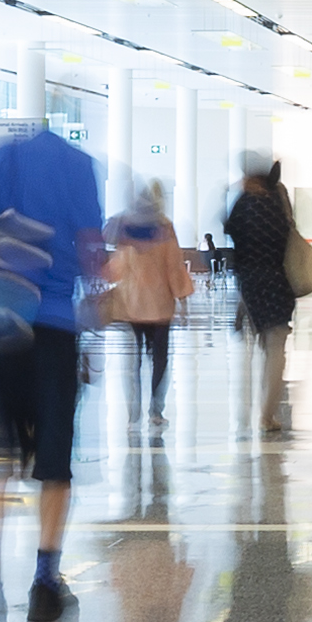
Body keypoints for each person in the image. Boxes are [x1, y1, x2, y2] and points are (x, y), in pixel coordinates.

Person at [0, 105, 105, 622]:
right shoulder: (80, 165)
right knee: (54, 459)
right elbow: (91, 249)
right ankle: (44, 580)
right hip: (54, 328)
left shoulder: (4, 159)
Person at [221, 154, 304, 441]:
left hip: (251, 283)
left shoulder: (244, 204)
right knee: (276, 347)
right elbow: (289, 233)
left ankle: (264, 409)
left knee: (264, 346)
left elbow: (229, 231)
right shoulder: (278, 201)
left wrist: (230, 195)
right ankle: (267, 414)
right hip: (278, 281)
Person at [101, 178, 193, 437]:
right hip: (160, 306)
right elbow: (174, 266)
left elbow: (119, 262)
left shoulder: (126, 227)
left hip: (131, 305)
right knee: (160, 359)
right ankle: (156, 411)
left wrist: (106, 276)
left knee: (132, 363)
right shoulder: (164, 226)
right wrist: (182, 297)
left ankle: (133, 415)